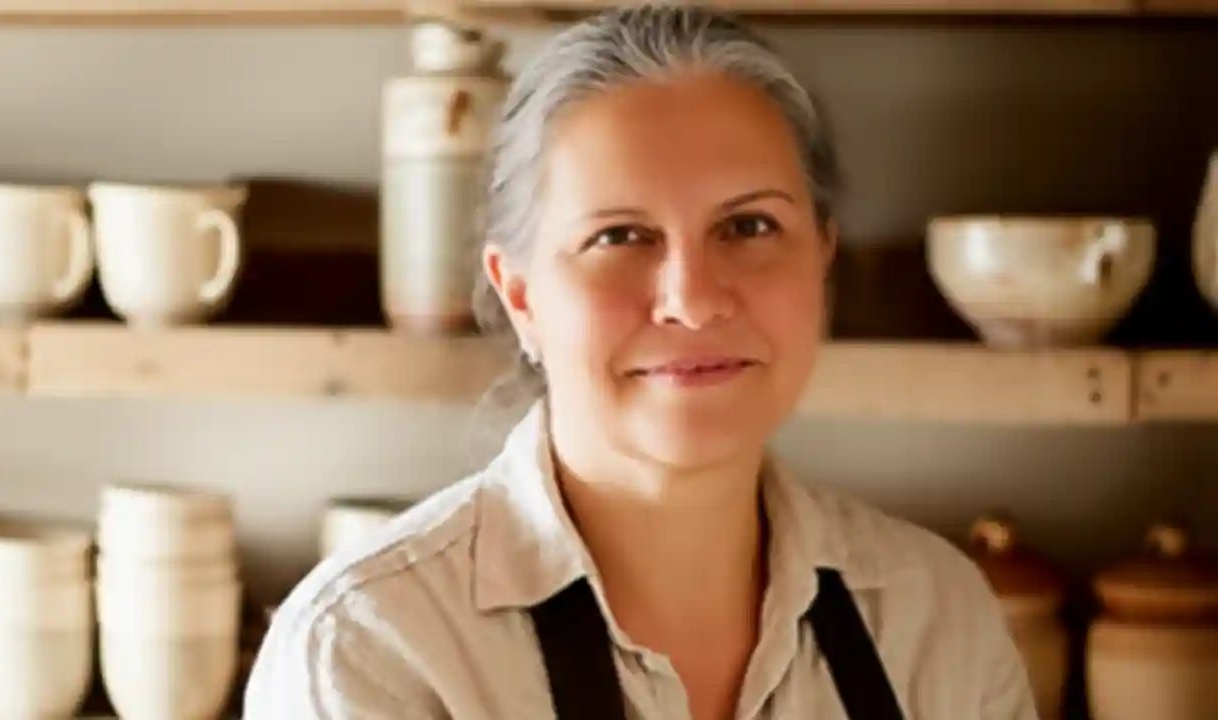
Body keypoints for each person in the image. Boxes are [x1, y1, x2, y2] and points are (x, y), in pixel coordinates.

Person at [244, 4, 1037, 719]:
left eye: (750, 227)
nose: (692, 300)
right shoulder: (372, 651)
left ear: (820, 262)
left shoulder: (936, 621)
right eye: (620, 237)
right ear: (520, 296)